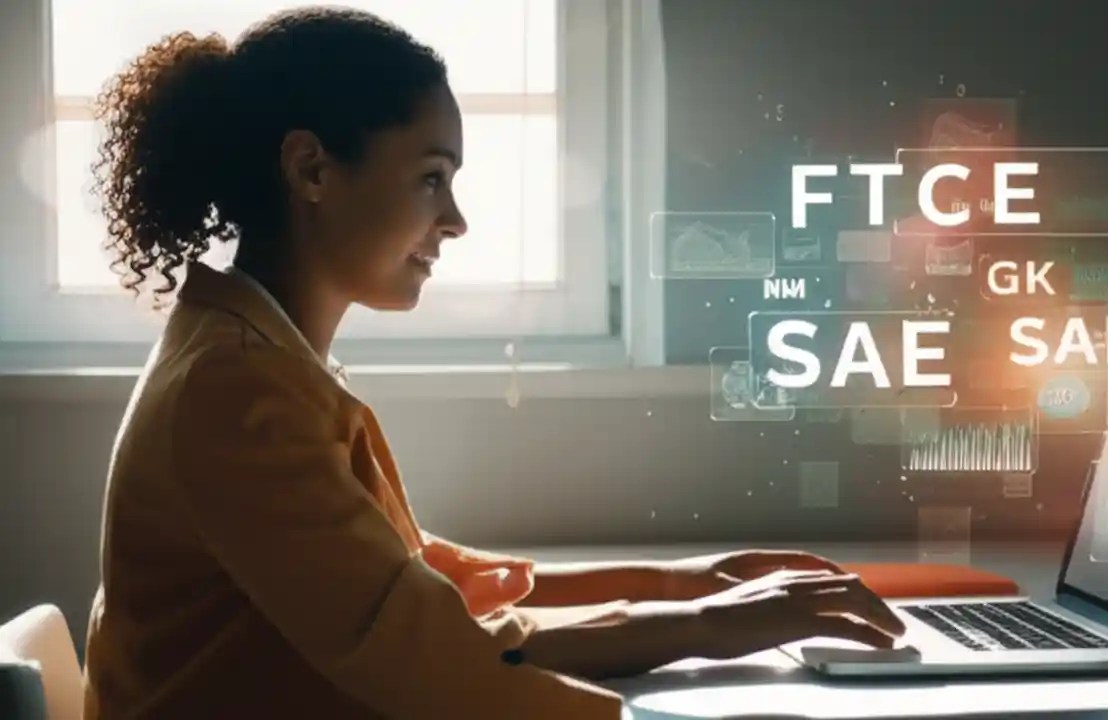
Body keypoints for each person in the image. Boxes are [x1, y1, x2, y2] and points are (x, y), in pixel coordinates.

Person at [82, 7, 904, 718]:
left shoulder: (251, 356)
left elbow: (406, 581)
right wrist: (710, 626)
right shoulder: (232, 388)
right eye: (431, 178)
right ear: (311, 169)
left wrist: (685, 582)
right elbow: (417, 646)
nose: (456, 220)